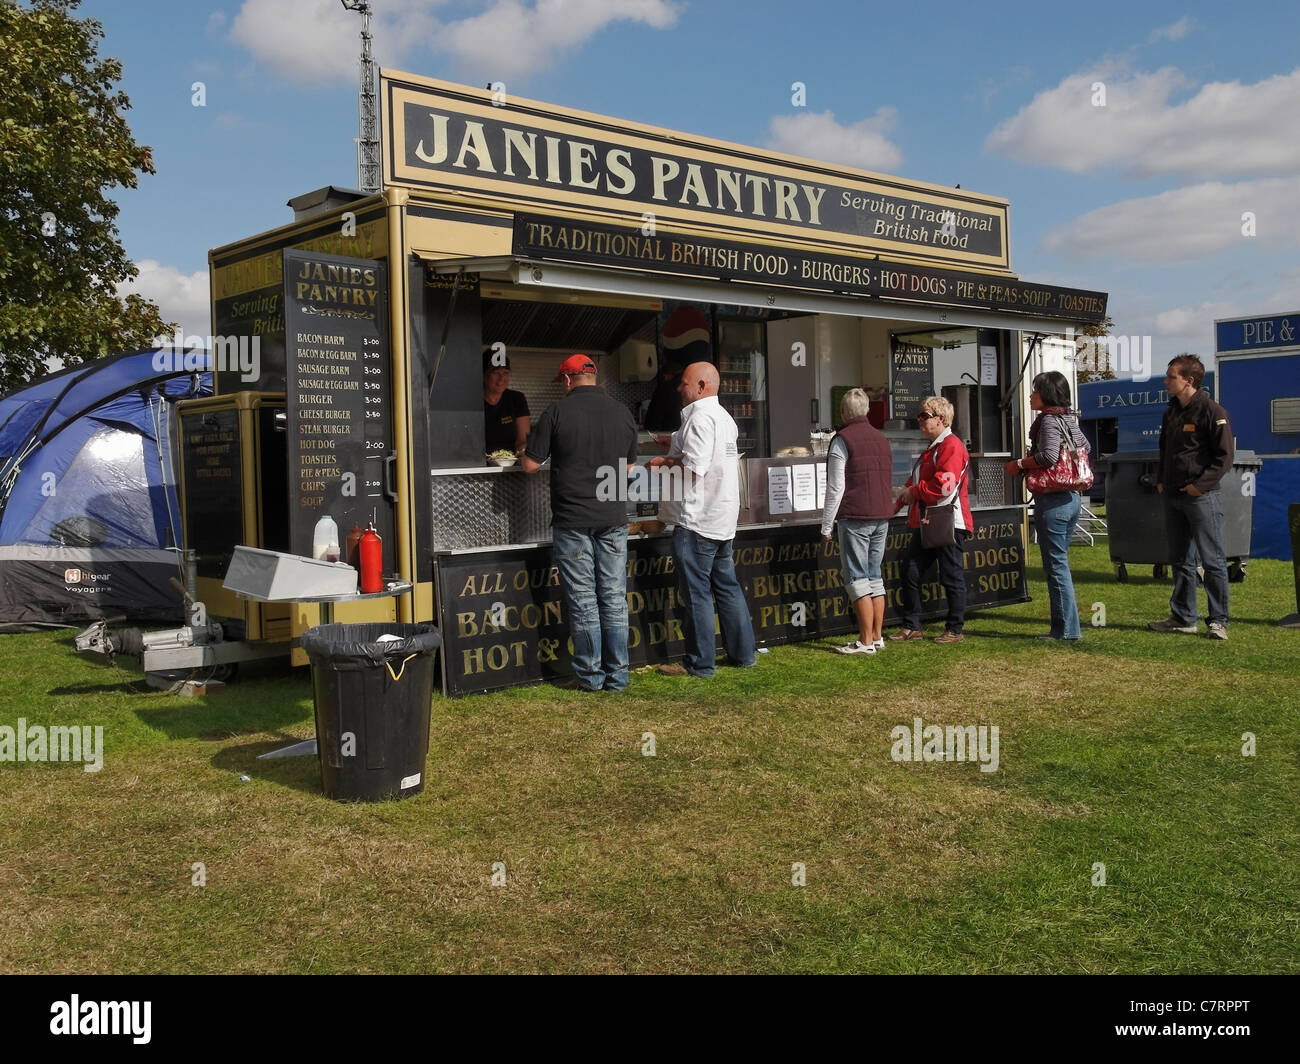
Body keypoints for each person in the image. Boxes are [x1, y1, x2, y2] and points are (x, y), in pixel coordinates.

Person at [522, 354, 638, 691]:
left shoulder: (556, 412)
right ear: (595, 377)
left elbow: (531, 465)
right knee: (614, 597)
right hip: (613, 519)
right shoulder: (622, 413)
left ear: (568, 380)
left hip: (573, 520)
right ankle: (618, 677)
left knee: (584, 599)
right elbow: (629, 469)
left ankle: (590, 677)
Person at [648, 361, 756, 677]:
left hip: (697, 520)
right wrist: (674, 446)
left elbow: (694, 468)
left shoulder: (699, 419)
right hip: (722, 518)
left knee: (696, 594)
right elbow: (708, 458)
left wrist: (663, 462)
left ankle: (699, 663)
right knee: (728, 588)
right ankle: (744, 655)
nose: (679, 388)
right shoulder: (723, 417)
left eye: (684, 383)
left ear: (701, 387)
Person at [1148, 354, 1234, 639]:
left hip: (1201, 497)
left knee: (1212, 560)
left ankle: (1218, 620)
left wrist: (1201, 485)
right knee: (1180, 559)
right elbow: (1165, 450)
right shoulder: (1171, 411)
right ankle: (1183, 617)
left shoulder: (1212, 411)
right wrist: (1161, 480)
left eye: (1171, 377)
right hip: (1172, 495)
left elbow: (1224, 457)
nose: (1166, 381)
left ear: (1189, 380)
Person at [1004, 371, 1091, 641]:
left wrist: (1019, 464)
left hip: (1053, 501)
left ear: (1046, 394)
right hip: (1072, 498)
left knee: (1056, 567)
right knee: (1059, 564)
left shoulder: (1050, 421)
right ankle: (1067, 628)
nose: (1030, 396)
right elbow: (1084, 445)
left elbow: (1049, 456)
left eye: (1035, 391)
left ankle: (1065, 631)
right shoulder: (1068, 418)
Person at [891, 396, 972, 644]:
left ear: (941, 419)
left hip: (947, 521)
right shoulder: (935, 447)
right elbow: (915, 484)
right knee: (911, 570)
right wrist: (895, 504)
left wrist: (911, 493)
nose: (920, 420)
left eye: (925, 416)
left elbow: (943, 486)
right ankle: (912, 625)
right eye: (920, 415)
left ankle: (955, 629)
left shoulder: (950, 446)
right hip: (930, 520)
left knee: (951, 574)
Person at [820, 388, 894, 655]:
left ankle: (864, 641)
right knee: (875, 577)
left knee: (857, 579)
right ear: (867, 411)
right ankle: (876, 637)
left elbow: (835, 487)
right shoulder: (881, 438)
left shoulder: (842, 440)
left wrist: (826, 526)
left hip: (856, 515)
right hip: (882, 514)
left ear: (842, 412)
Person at [482, 348, 530, 454]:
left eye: (505, 372)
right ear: (484, 375)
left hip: (509, 464)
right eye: (495, 373)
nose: (501, 378)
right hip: (477, 464)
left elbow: (523, 440)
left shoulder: (517, 399)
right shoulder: (472, 400)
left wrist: (523, 450)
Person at [643, 360, 684, 433]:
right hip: (681, 429)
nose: (664, 377)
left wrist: (649, 429)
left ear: (668, 373)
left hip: (666, 430)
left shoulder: (664, 388)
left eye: (664, 375)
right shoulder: (686, 386)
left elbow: (655, 411)